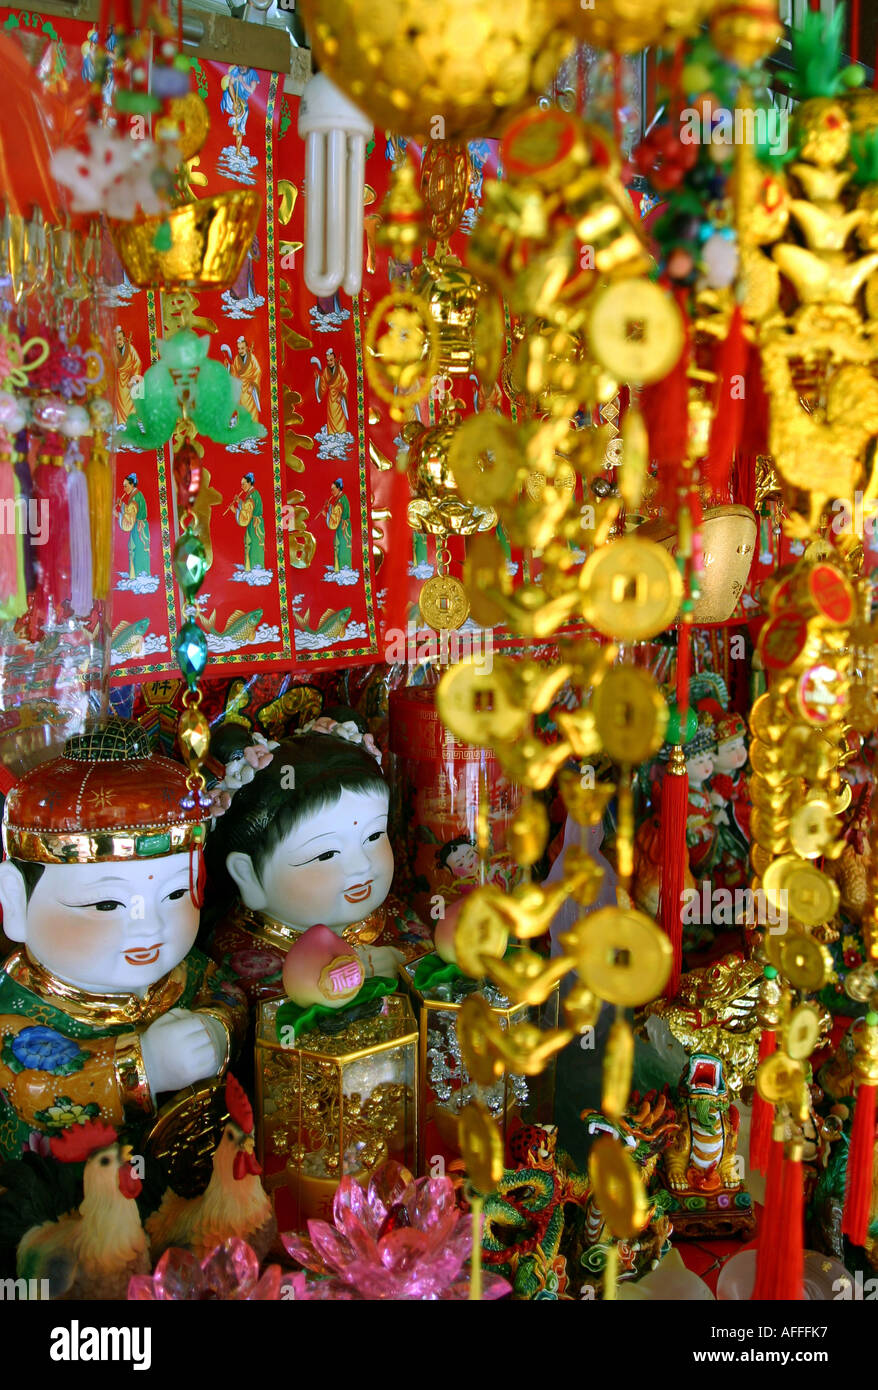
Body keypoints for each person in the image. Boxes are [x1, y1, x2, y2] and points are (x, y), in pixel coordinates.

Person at [0, 720, 247, 1162]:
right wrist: (146, 1067)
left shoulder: (180, 973)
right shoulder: (13, 1012)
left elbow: (227, 992)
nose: (148, 925)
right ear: (15, 903)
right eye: (107, 904)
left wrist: (215, 1027)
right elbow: (35, 1088)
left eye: (174, 894)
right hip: (66, 1206)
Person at [203, 714, 431, 1008]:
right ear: (248, 875)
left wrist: (399, 959)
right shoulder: (242, 956)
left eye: (373, 836)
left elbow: (426, 949)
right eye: (325, 854)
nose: (362, 865)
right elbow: (253, 1008)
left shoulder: (391, 918)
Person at [220, 66, 259, 157]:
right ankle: (234, 126)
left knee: (241, 130)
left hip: (243, 101)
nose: (240, 66)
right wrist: (234, 101)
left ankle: (238, 150)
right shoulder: (236, 71)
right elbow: (230, 85)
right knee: (239, 112)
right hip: (233, 98)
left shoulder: (253, 74)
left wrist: (241, 81)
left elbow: (251, 90)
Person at [118, 472, 150, 578]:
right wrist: (122, 506)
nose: (124, 489)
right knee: (133, 547)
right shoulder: (135, 496)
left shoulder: (136, 497)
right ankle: (136, 575)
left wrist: (119, 513)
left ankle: (140, 575)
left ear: (132, 485)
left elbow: (131, 514)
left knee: (138, 549)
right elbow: (130, 510)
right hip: (138, 526)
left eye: (126, 486)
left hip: (140, 527)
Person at [312, 348, 349, 435]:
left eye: (331, 360)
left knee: (340, 419)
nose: (329, 362)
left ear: (335, 359)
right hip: (331, 400)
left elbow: (345, 382)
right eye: (328, 360)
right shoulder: (326, 371)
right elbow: (323, 386)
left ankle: (341, 436)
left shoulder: (340, 369)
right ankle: (331, 436)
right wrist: (318, 379)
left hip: (339, 398)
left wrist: (342, 395)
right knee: (331, 419)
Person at [226, 336, 262, 422]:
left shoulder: (252, 358)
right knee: (241, 408)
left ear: (246, 347)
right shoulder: (236, 359)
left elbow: (258, 372)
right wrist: (229, 367)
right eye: (239, 349)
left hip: (250, 388)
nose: (240, 351)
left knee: (251, 409)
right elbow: (235, 373)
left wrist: (253, 385)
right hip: (241, 388)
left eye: (242, 348)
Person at [112, 325, 142, 427]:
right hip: (119, 381)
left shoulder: (130, 348)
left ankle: (133, 422)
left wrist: (134, 378)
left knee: (132, 402)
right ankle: (122, 424)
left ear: (124, 339)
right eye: (116, 340)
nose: (118, 341)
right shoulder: (113, 351)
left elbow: (137, 362)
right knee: (120, 403)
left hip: (130, 379)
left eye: (120, 339)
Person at [235, 473, 264, 572]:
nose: (242, 486)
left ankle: (255, 568)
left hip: (256, 524)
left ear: (250, 483)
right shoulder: (251, 494)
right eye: (241, 484)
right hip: (253, 522)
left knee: (253, 544)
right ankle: (250, 568)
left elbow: (247, 509)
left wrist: (238, 503)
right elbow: (246, 510)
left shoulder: (253, 495)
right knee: (248, 543)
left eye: (244, 484)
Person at [325, 478, 352, 571]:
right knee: (337, 545)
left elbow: (336, 516)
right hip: (341, 526)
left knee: (342, 547)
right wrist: (329, 509)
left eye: (333, 489)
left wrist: (328, 512)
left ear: (338, 489)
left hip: (343, 527)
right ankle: (339, 569)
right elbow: (335, 513)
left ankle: (343, 570)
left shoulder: (341, 500)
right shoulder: (340, 499)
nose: (332, 492)